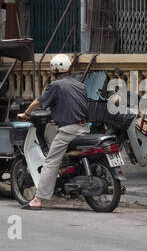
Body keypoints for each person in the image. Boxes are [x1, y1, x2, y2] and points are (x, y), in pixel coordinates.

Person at [17, 54, 91, 210]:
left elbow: (39, 101)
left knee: (51, 161)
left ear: (53, 70)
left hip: (68, 130)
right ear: (69, 68)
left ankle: (37, 199)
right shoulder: (80, 85)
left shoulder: (56, 86)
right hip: (84, 128)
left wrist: (27, 113)